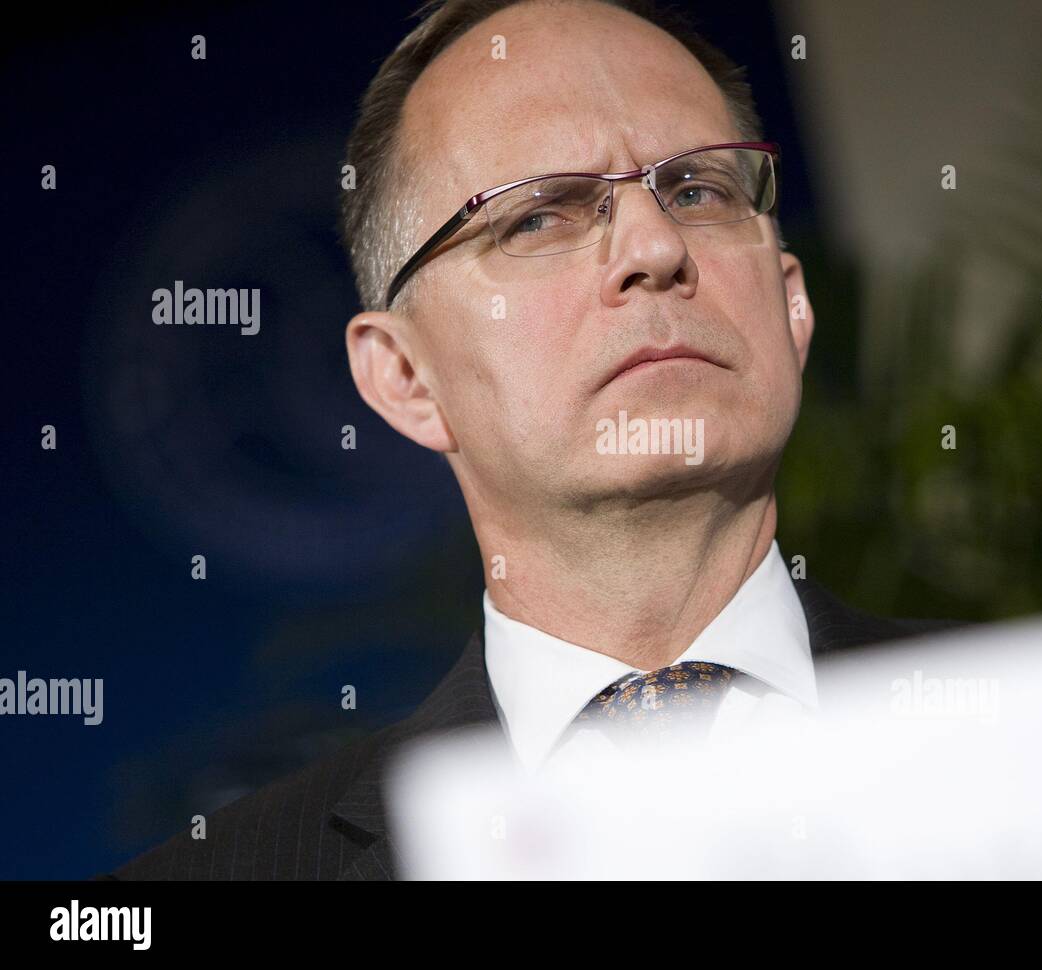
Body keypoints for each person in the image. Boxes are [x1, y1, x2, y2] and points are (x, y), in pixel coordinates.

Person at [100, 0, 955, 881]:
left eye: (697, 190)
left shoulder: (1037, 730)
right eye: (539, 216)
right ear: (405, 376)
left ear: (791, 305)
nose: (656, 246)